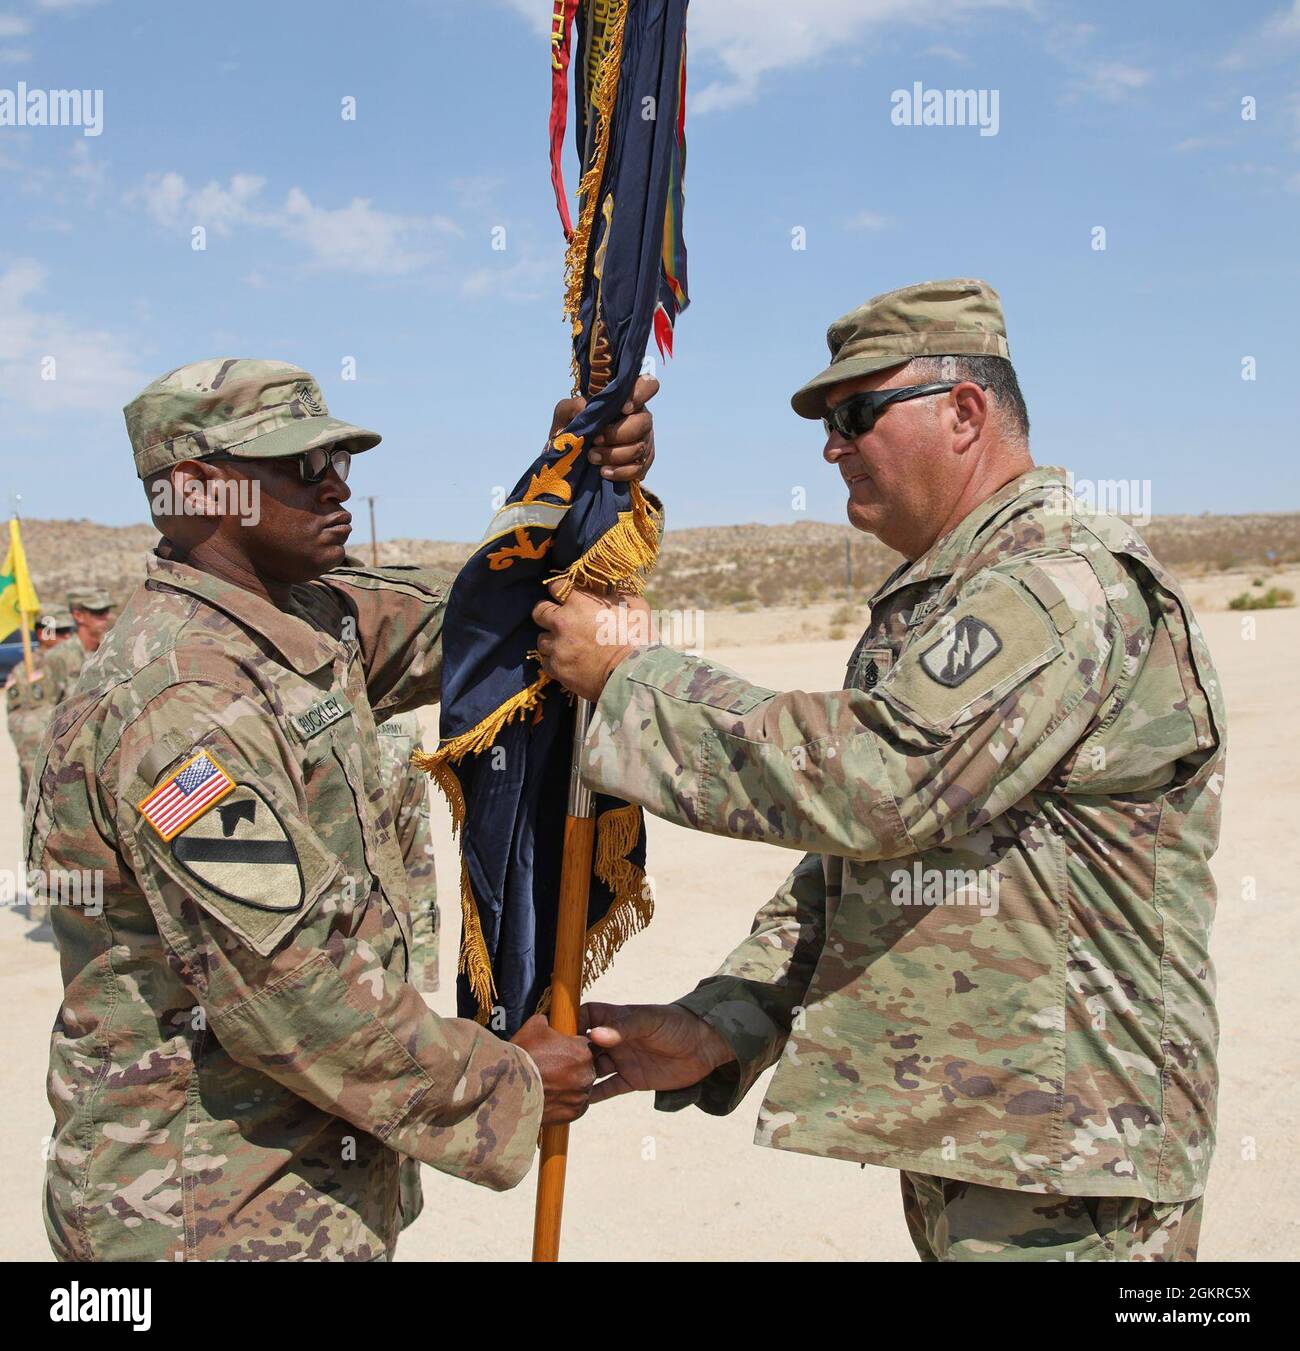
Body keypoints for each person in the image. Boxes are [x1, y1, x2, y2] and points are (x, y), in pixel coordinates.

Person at [534, 279, 1225, 1262]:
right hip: (997, 1149)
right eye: (826, 421)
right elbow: (860, 873)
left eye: (856, 413)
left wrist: (631, 679)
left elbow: (873, 783)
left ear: (964, 410)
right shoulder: (957, 596)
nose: (831, 445)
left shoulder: (1058, 587)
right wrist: (720, 1020)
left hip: (1075, 1173)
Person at [27, 357, 655, 1261]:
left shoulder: (310, 615)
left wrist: (584, 478)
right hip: (201, 1212)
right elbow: (292, 987)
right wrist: (505, 1081)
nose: (338, 489)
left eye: (340, 463)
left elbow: (496, 617)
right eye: (299, 468)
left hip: (303, 1185)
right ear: (199, 492)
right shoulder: (175, 706)